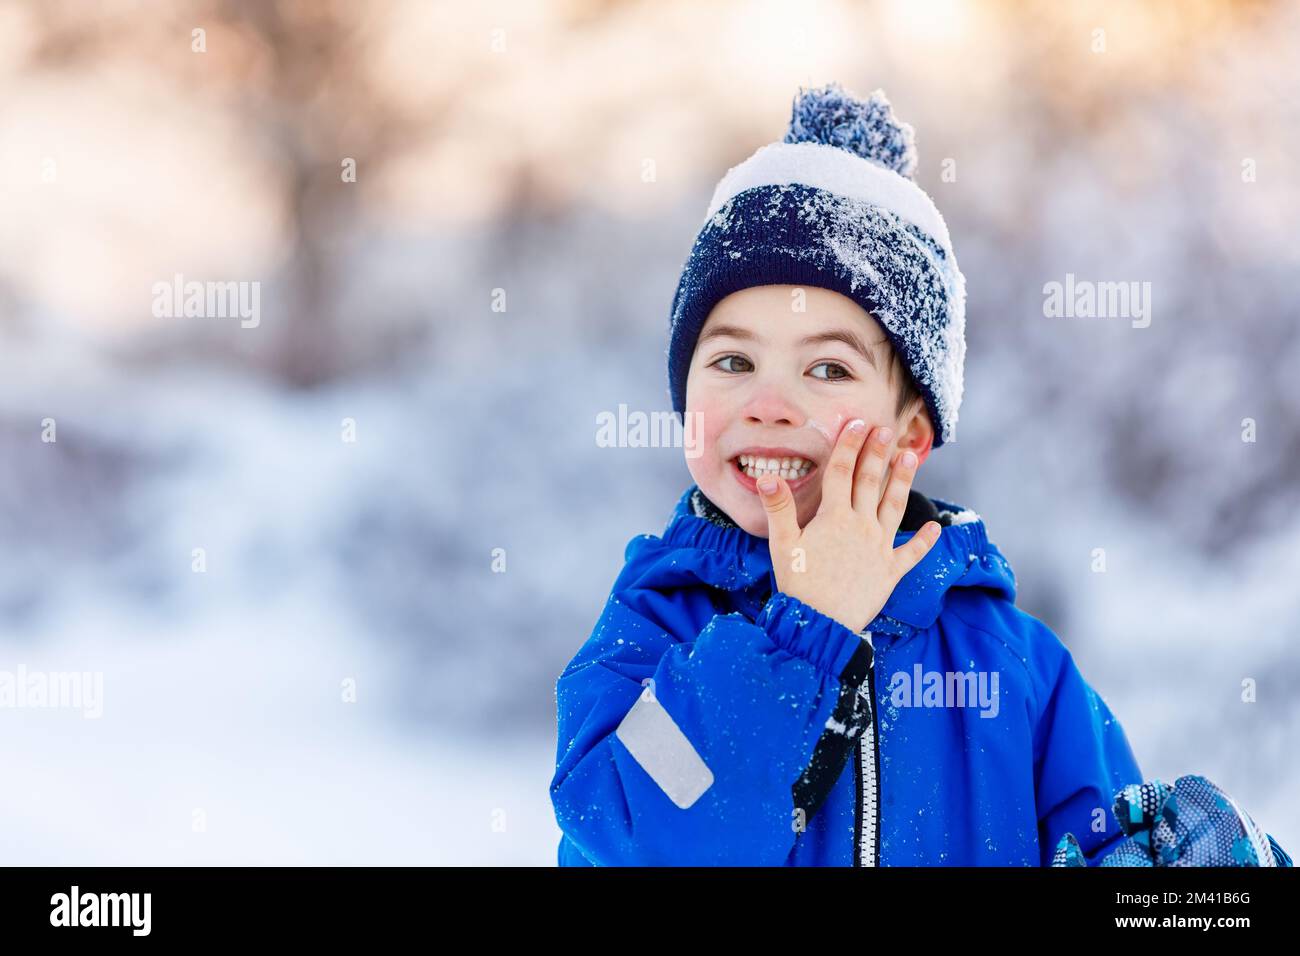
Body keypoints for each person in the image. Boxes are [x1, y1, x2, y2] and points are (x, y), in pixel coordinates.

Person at [549, 82, 1287, 867]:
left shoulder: (1011, 667)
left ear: (910, 437)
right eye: (733, 359)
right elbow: (646, 839)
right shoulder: (654, 628)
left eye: (828, 369)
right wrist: (801, 635)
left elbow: (1095, 847)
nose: (767, 404)